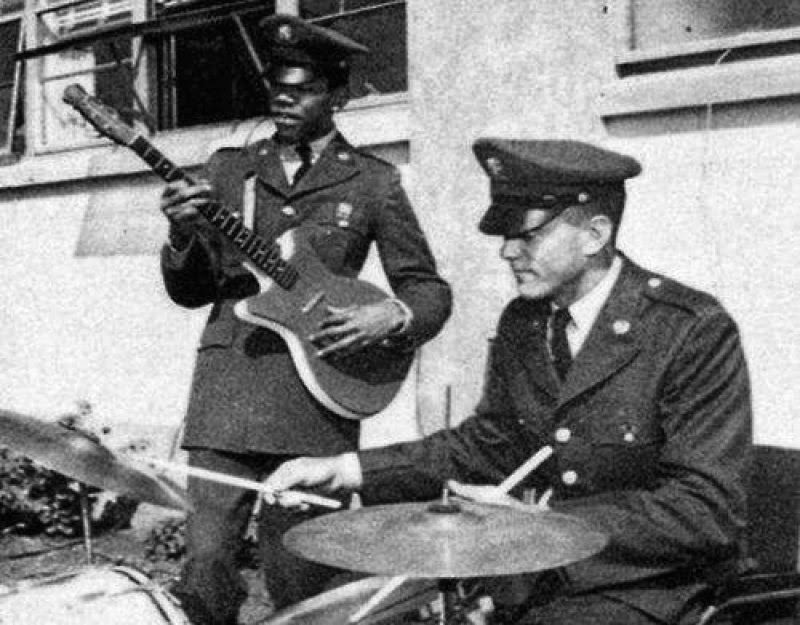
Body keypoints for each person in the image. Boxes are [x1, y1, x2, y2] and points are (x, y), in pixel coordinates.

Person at [263, 138, 753, 625]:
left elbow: (704, 511)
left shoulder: (689, 329)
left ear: (595, 234)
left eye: (528, 235)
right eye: (504, 234)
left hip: (652, 591)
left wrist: (545, 524)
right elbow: (485, 445)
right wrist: (345, 470)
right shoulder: (526, 320)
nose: (507, 251)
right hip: (539, 582)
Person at [159, 14, 452, 625]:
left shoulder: (373, 182)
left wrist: (390, 316)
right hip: (229, 396)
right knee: (206, 570)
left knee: (305, 575)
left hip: (319, 400)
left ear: (338, 96)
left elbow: (427, 290)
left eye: (304, 90)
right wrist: (181, 234)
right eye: (278, 89)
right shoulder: (229, 170)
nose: (284, 99)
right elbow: (190, 292)